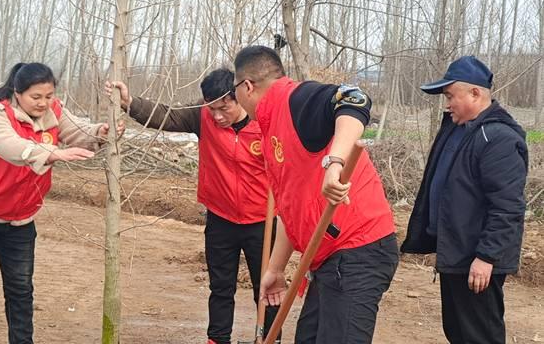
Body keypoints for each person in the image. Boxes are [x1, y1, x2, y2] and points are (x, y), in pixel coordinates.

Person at [232, 45, 398, 343]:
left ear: (246, 86)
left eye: (234, 92)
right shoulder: (271, 129)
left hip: (358, 248)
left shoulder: (295, 100)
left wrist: (335, 163)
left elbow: (354, 100)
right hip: (327, 258)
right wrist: (276, 268)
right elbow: (291, 209)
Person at [104, 68, 281, 344]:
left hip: (262, 221)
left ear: (241, 98)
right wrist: (130, 102)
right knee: (221, 287)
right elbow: (166, 115)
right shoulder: (202, 117)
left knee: (267, 287)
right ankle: (218, 339)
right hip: (221, 219)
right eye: (212, 109)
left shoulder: (266, 122)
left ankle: (270, 338)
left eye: (224, 108)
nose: (218, 116)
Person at [0, 62, 124, 344]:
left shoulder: (54, 111)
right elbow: (12, 148)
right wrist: (53, 153)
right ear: (18, 92)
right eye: (36, 97)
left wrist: (102, 132)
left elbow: (78, 131)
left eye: (49, 96)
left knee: (21, 290)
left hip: (22, 219)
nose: (44, 103)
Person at [401, 56, 528, 344]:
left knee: (479, 335)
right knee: (458, 332)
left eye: (449, 96)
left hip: (477, 258)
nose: (446, 103)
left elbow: (508, 206)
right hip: (458, 253)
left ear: (475, 93)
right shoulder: (460, 129)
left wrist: (486, 257)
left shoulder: (498, 138)